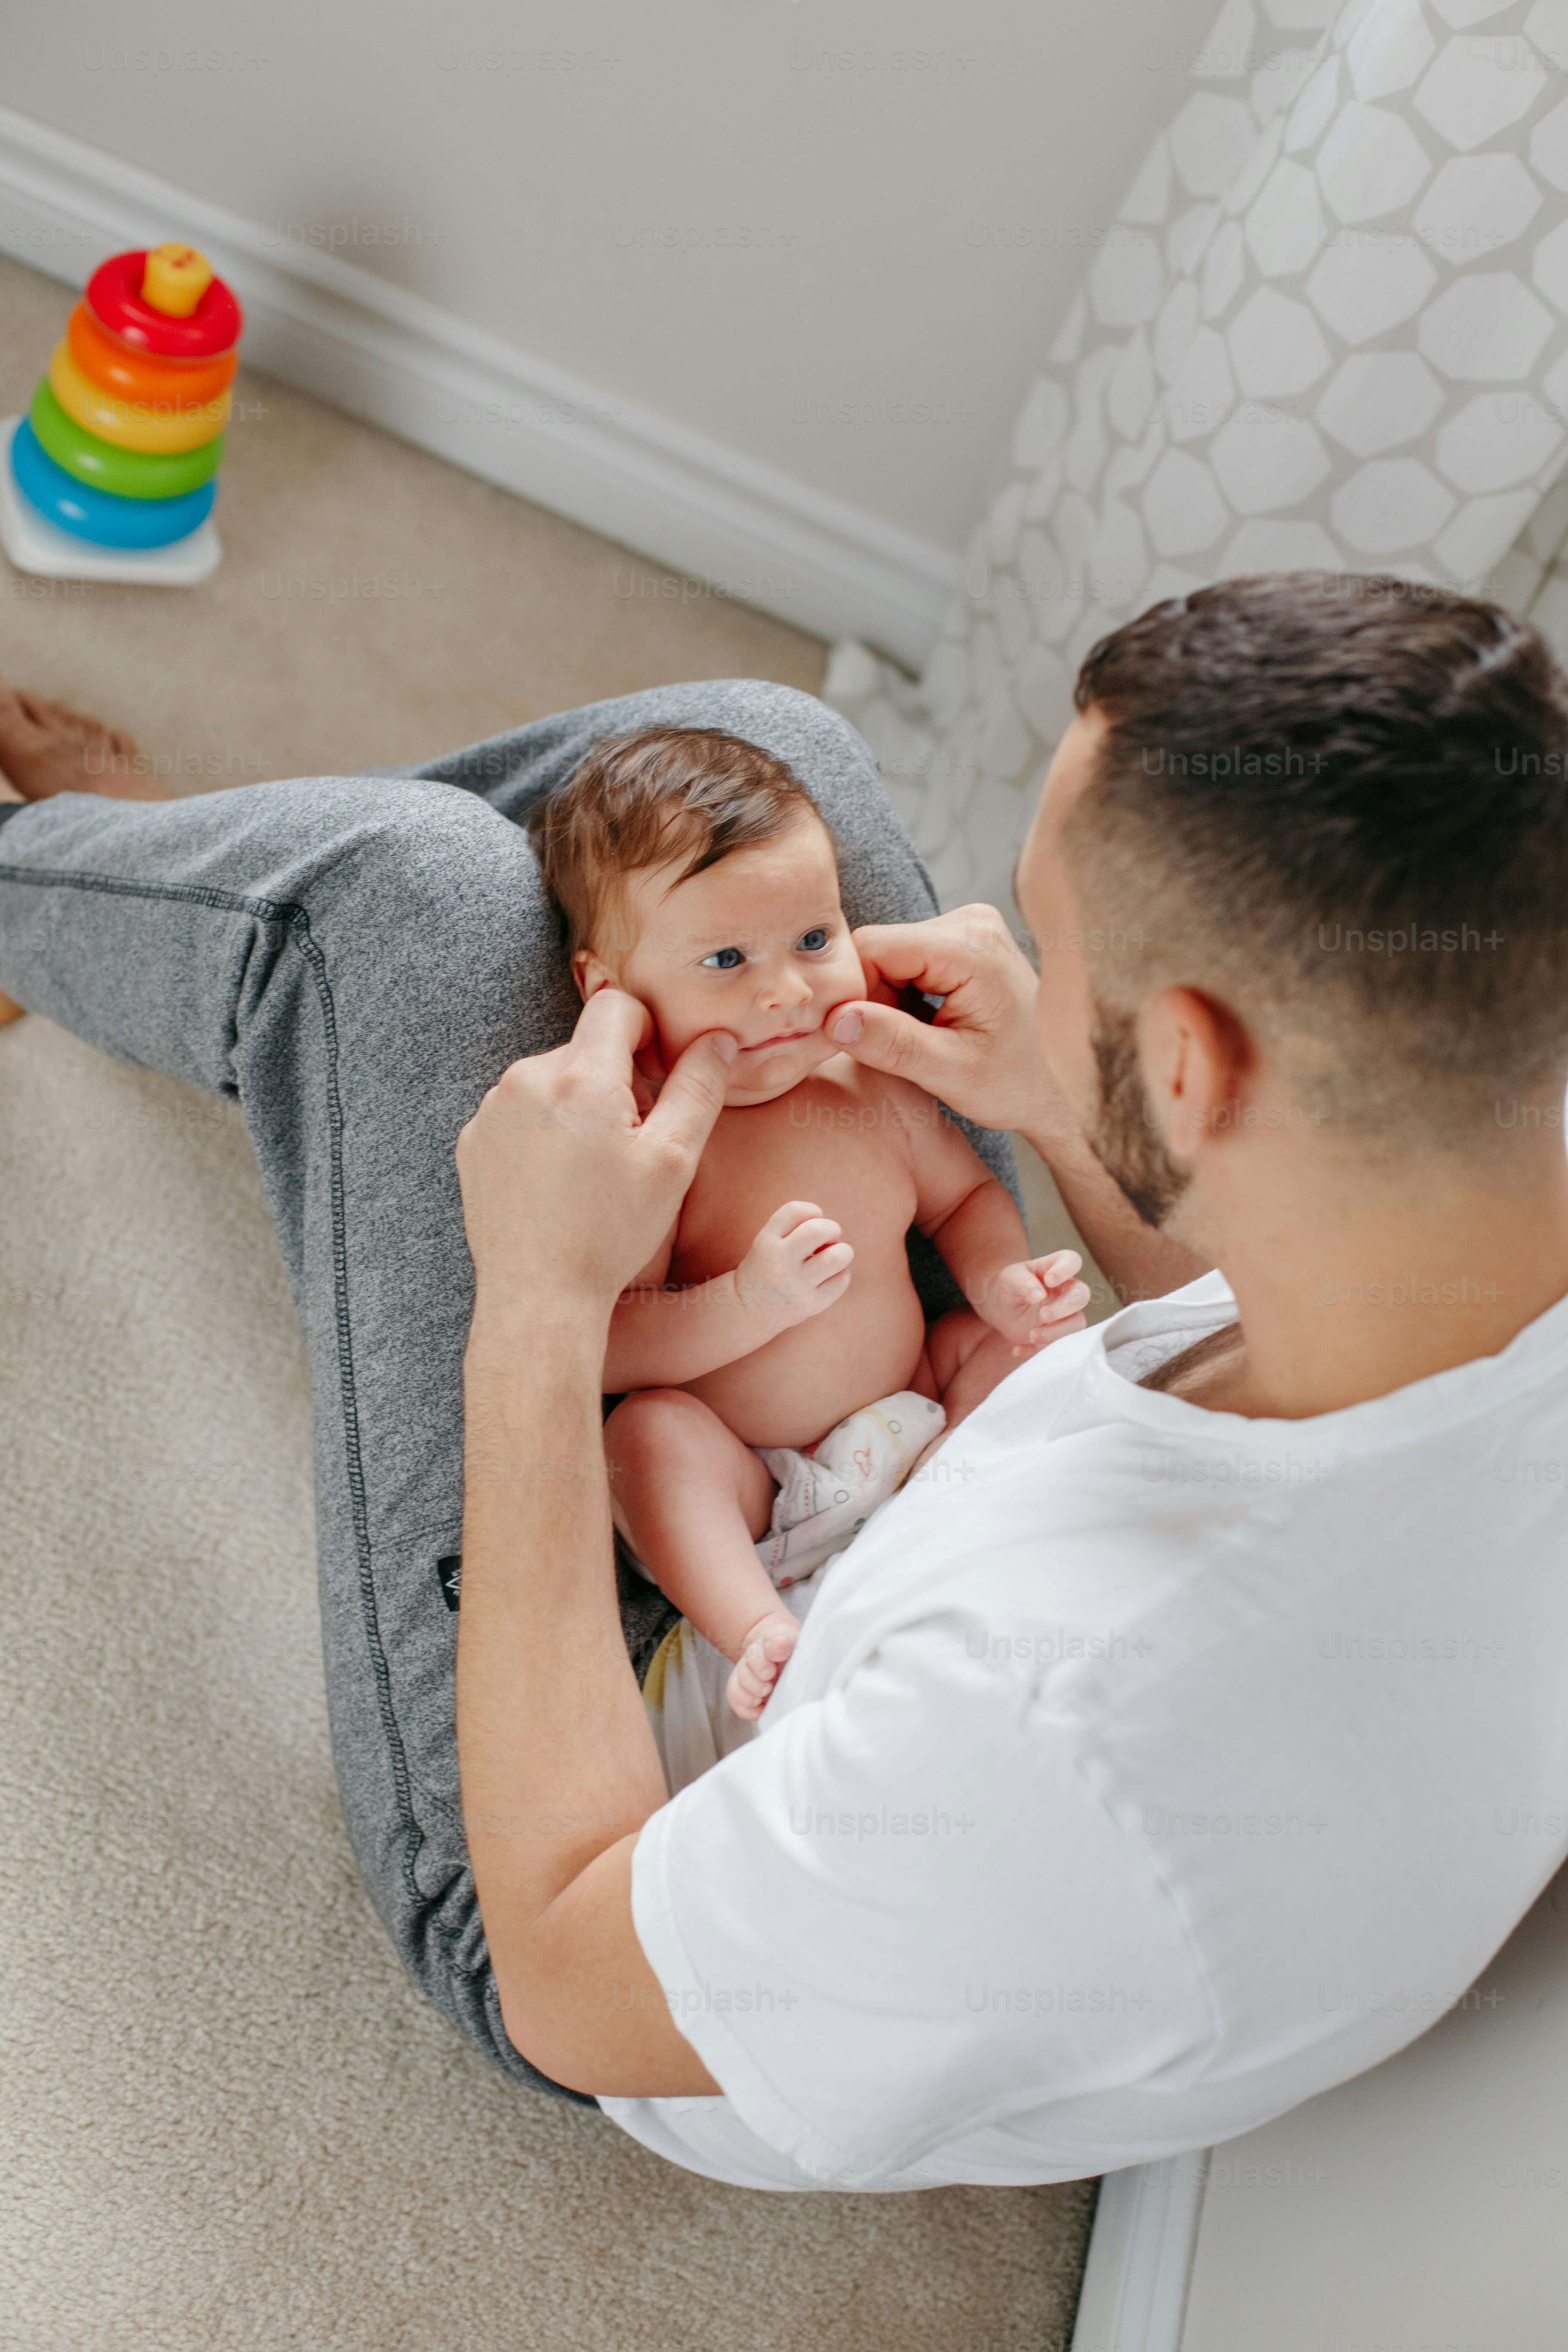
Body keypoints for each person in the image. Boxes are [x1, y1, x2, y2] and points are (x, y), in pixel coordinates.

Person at [2, 575, 1566, 2198]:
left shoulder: (1061, 1736)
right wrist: (1047, 1087)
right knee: (767, 744)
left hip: (607, 1839)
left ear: (1187, 1067)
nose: (991, 949)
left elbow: (558, 1971)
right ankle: (208, 912)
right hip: (902, 1468)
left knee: (396, 900)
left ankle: (178, 912)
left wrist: (540, 1304)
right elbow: (1262, 1309)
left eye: (1050, 943)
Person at [530, 724, 1088, 1727]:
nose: (786, 992)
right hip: (749, 1484)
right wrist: (751, 1303)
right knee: (652, 1440)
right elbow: (610, 1340)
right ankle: (756, 1629)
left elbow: (965, 1201)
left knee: (1010, 1349)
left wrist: (1004, 1282)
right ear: (606, 991)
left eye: (815, 940)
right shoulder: (656, 1141)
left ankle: (969, 1524)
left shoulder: (873, 1078)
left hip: (917, 1428)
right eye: (728, 958)